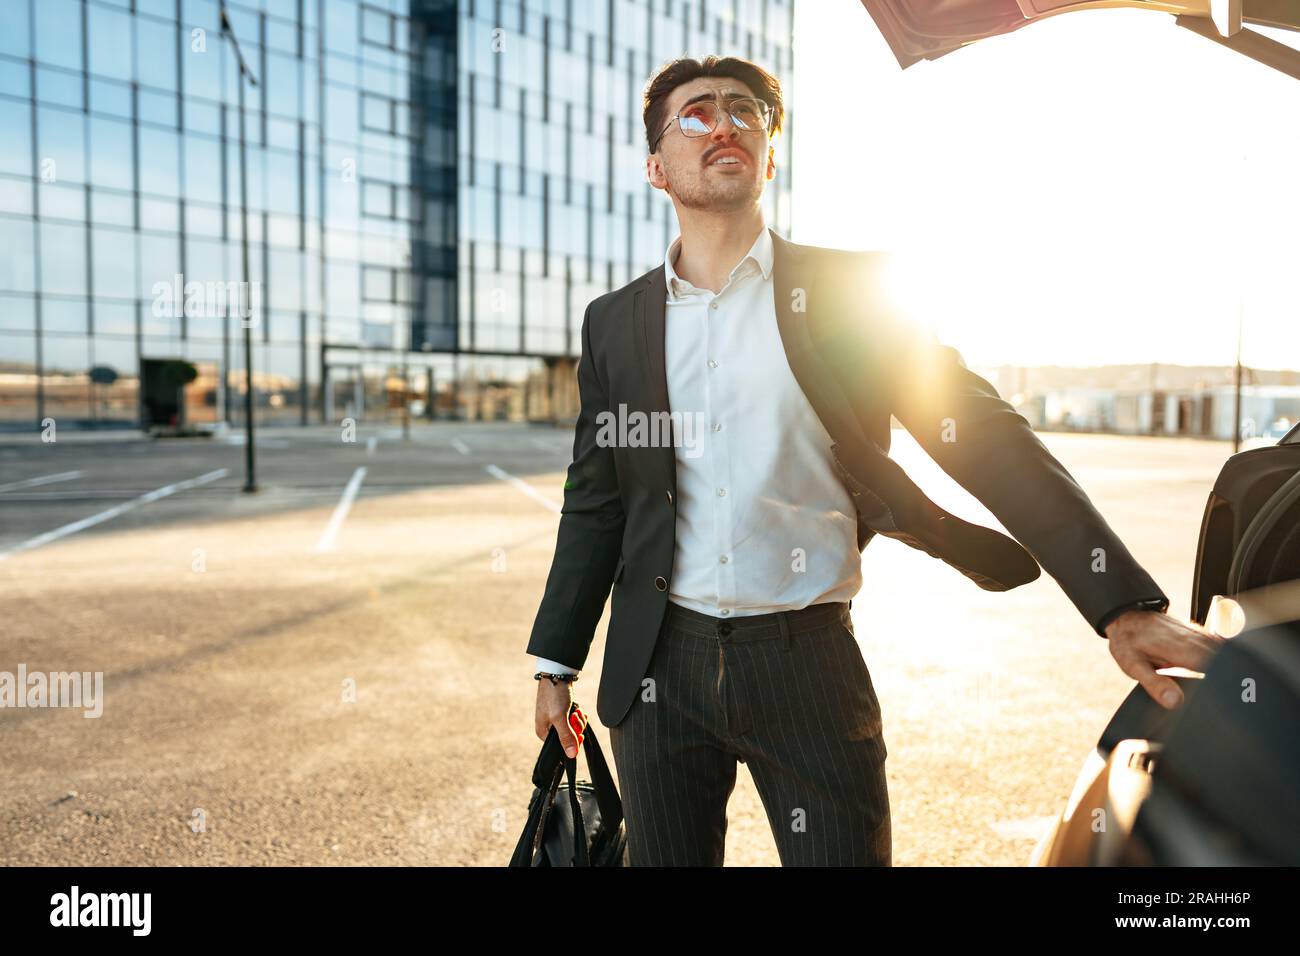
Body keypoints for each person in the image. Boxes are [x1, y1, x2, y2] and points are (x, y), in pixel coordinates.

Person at [527, 55, 1224, 866]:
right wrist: (555, 662)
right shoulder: (614, 322)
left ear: (769, 154)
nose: (724, 123)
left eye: (746, 112)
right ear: (657, 167)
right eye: (696, 113)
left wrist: (1121, 604)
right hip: (657, 669)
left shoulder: (850, 295)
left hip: (808, 663)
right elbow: (598, 498)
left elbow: (980, 430)